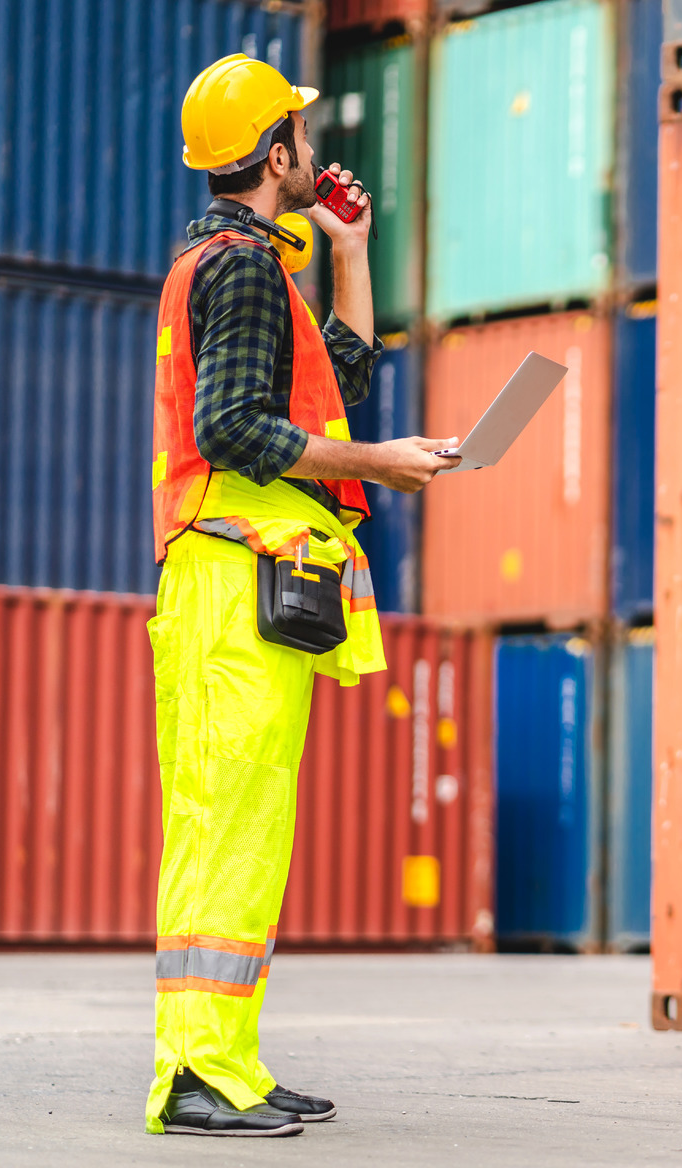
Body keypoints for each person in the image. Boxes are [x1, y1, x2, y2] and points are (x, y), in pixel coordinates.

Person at [145, 54, 460, 1137]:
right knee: (226, 824)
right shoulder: (235, 266)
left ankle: (224, 1060)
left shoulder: (249, 261)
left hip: (240, 580)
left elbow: (341, 375)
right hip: (230, 577)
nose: (313, 148)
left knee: (245, 824)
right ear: (275, 154)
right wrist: (377, 465)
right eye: (300, 134)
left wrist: (351, 251)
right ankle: (193, 1073)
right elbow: (229, 429)